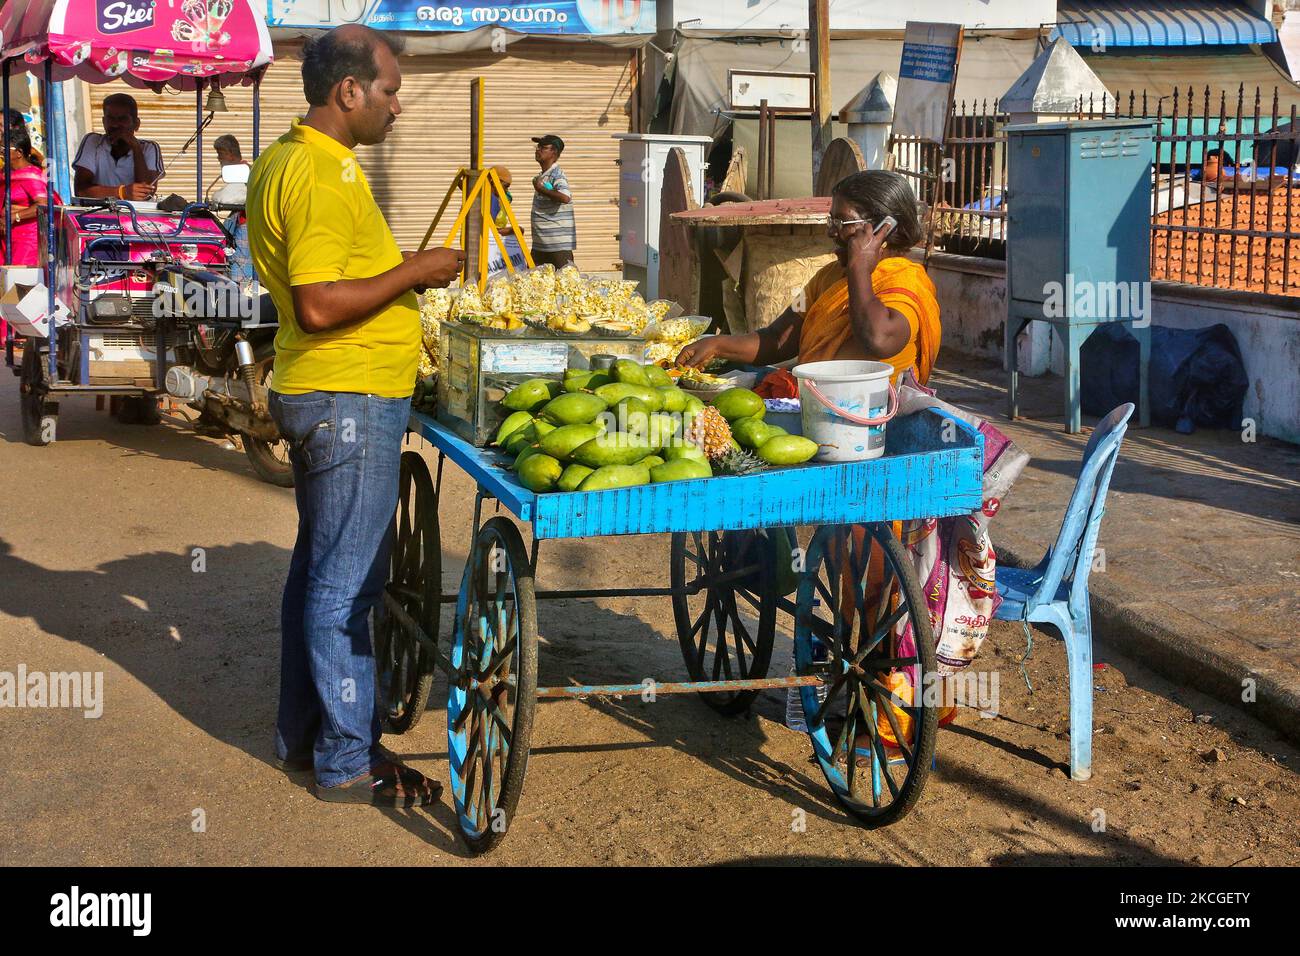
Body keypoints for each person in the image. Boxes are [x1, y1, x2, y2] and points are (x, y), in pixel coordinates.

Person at [246, 24, 464, 807]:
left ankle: (302, 735)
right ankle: (345, 757)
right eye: (391, 89)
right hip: (348, 397)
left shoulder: (286, 157)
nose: (397, 106)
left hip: (324, 391)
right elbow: (316, 302)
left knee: (319, 573)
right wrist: (418, 270)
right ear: (349, 92)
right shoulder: (320, 174)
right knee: (347, 589)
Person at [677, 169, 940, 387]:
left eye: (842, 223)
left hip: (872, 420)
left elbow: (879, 339)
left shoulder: (905, 282)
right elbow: (778, 337)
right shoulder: (827, 278)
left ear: (884, 229)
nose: (832, 233)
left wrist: (860, 268)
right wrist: (717, 345)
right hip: (815, 407)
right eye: (831, 221)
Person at [71, 93, 163, 200]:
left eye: (122, 119)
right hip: (99, 214)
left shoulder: (149, 148)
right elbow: (81, 190)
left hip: (135, 215)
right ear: (103, 122)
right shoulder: (93, 141)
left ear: (136, 124)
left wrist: (135, 148)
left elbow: (146, 193)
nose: (115, 125)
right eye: (110, 119)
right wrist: (121, 192)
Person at [529, 133, 575, 267]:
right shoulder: (543, 176)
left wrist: (541, 189)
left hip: (557, 246)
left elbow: (565, 197)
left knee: (565, 283)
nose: (538, 150)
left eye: (543, 147)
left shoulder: (557, 174)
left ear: (553, 152)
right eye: (537, 147)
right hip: (541, 244)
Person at [208, 134, 250, 205]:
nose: (218, 158)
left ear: (231, 155)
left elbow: (225, 198)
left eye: (220, 154)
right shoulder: (240, 171)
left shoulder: (242, 172)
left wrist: (214, 198)